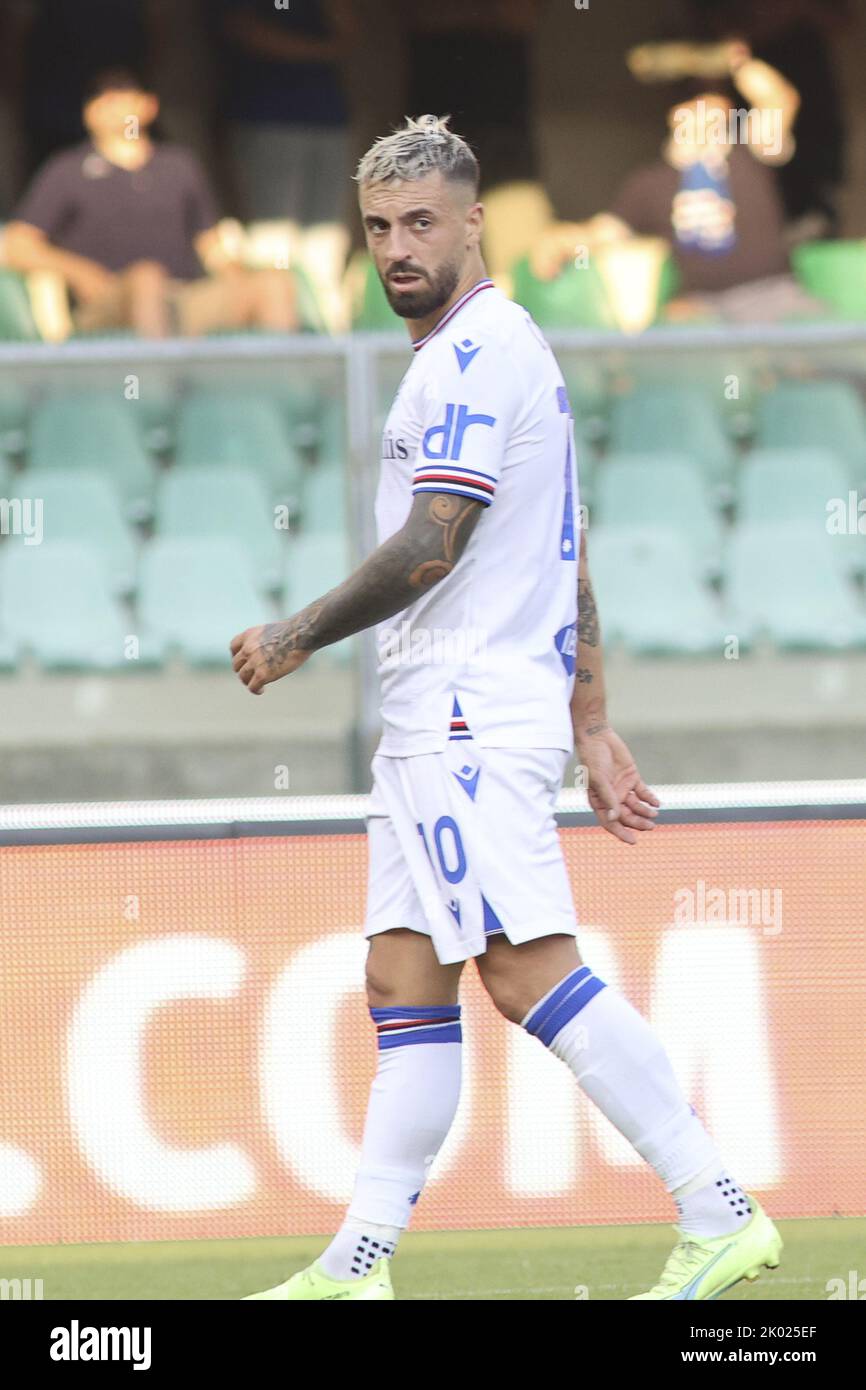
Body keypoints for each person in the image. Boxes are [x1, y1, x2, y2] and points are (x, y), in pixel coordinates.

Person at [230, 115, 782, 1301]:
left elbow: (435, 541)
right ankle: (356, 1266)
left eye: (421, 222)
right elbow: (565, 551)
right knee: (402, 979)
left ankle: (716, 1206)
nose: (396, 248)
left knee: (524, 972)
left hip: (469, 714)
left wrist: (291, 634)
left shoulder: (480, 354)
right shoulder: (466, 356)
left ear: (474, 221)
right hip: (441, 717)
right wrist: (589, 717)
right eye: (377, 227)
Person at [533, 41, 818, 324]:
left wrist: (732, 62)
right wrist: (563, 239)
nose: (714, 108)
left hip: (773, 295)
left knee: (824, 344)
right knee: (674, 344)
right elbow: (604, 232)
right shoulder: (649, 183)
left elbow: (779, 99)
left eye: (717, 98)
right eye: (698, 101)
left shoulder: (752, 151)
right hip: (700, 307)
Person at [4, 69, 297, 338]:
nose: (113, 104)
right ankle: (154, 389)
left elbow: (210, 243)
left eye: (123, 94)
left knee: (273, 282)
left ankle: (290, 389)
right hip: (111, 299)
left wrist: (236, 275)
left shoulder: (180, 165)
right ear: (88, 113)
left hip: (184, 296)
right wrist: (81, 273)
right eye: (102, 98)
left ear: (149, 105)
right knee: (147, 278)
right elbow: (16, 246)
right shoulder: (67, 170)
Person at [217, 0, 353, 225]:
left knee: (326, 234)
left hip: (329, 117)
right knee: (273, 234)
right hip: (268, 117)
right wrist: (324, 50)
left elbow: (350, 32)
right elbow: (244, 29)